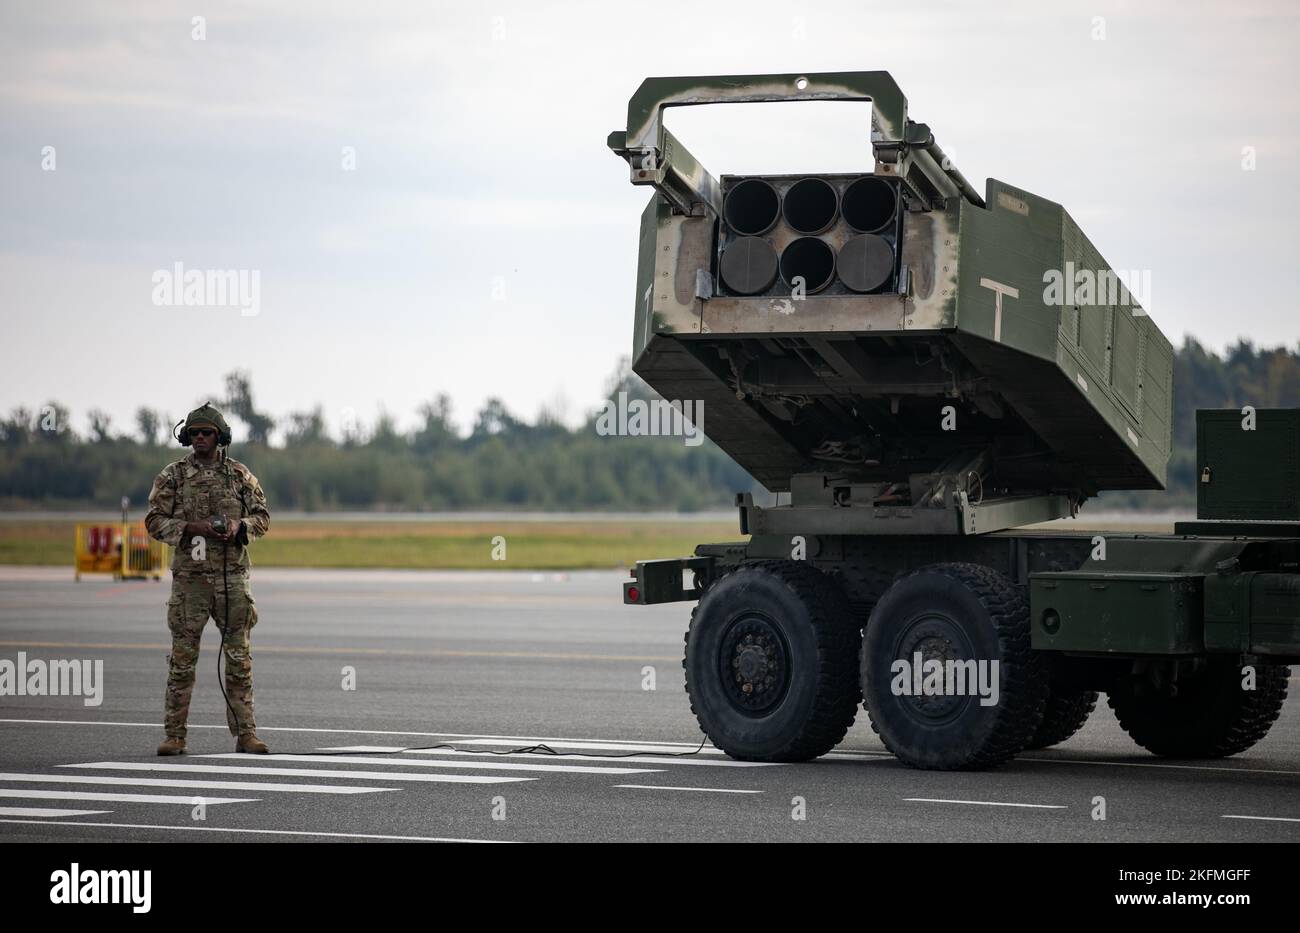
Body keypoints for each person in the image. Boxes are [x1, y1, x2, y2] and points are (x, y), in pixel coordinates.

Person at [145, 403, 271, 755]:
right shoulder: (173, 476)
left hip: (232, 580)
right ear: (187, 437)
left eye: (207, 433)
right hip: (191, 583)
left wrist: (238, 527)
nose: (200, 438)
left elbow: (262, 516)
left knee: (239, 659)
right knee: (182, 660)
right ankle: (175, 736)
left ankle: (246, 734)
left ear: (220, 437)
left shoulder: (238, 476)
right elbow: (154, 521)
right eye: (195, 433)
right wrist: (189, 528)